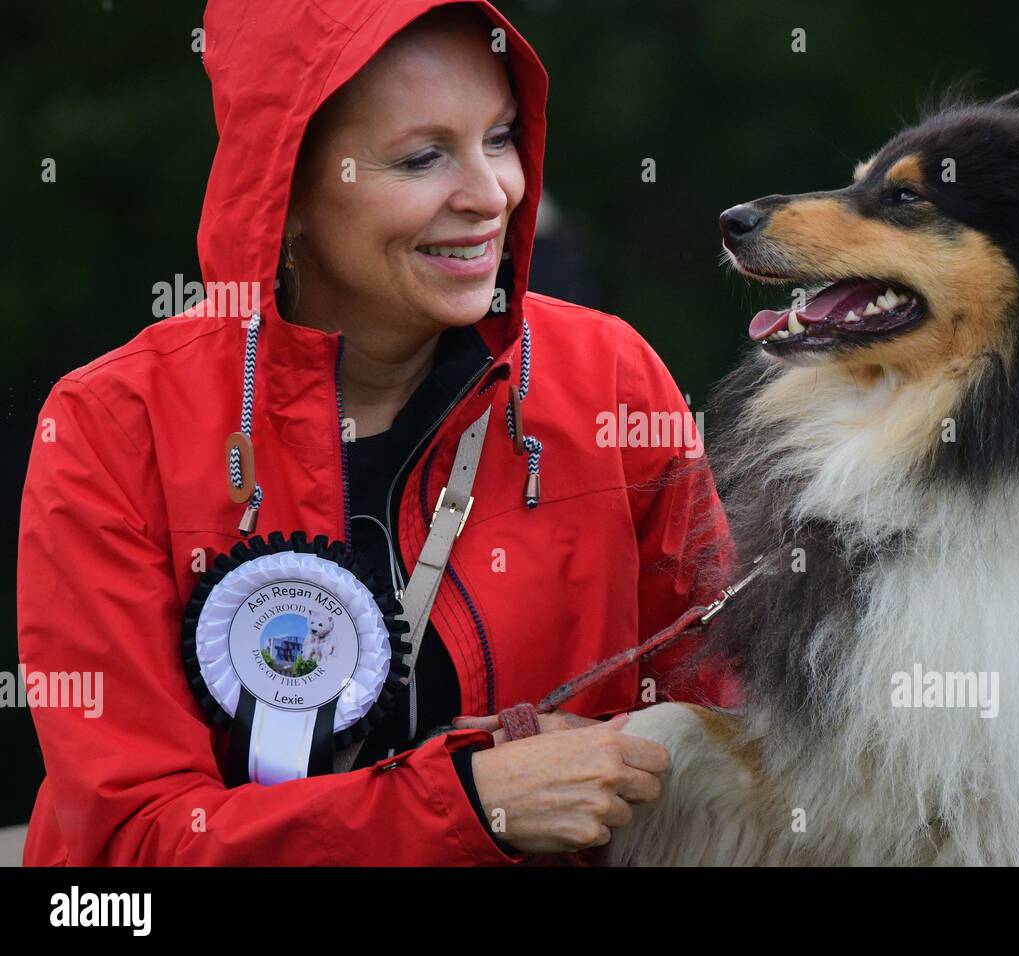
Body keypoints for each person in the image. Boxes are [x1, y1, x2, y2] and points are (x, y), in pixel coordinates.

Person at [17, 0, 734, 866]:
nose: (492, 194)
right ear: (285, 194)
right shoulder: (111, 427)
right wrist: (468, 804)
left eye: (501, 138)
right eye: (423, 157)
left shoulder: (612, 379)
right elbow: (132, 850)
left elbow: (726, 741)